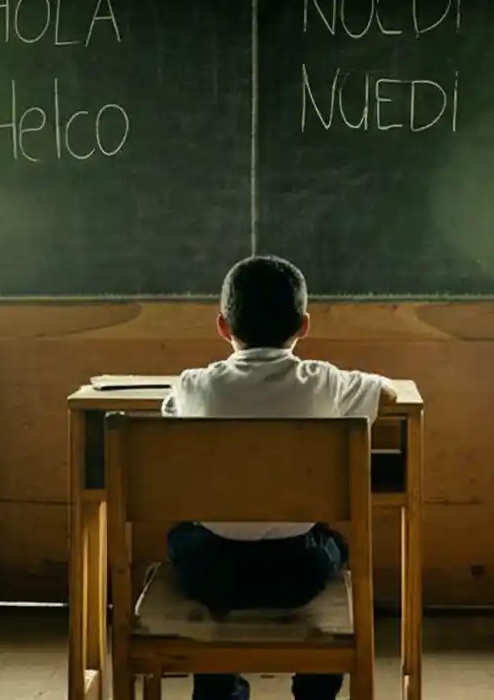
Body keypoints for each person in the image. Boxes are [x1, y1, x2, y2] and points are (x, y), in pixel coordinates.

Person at [161, 255, 396, 700]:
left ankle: (219, 689)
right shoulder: (326, 381)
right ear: (305, 325)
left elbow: (168, 414)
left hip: (209, 571)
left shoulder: (194, 385)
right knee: (335, 544)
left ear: (222, 327)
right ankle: (315, 690)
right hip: (295, 573)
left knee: (184, 535)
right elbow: (388, 392)